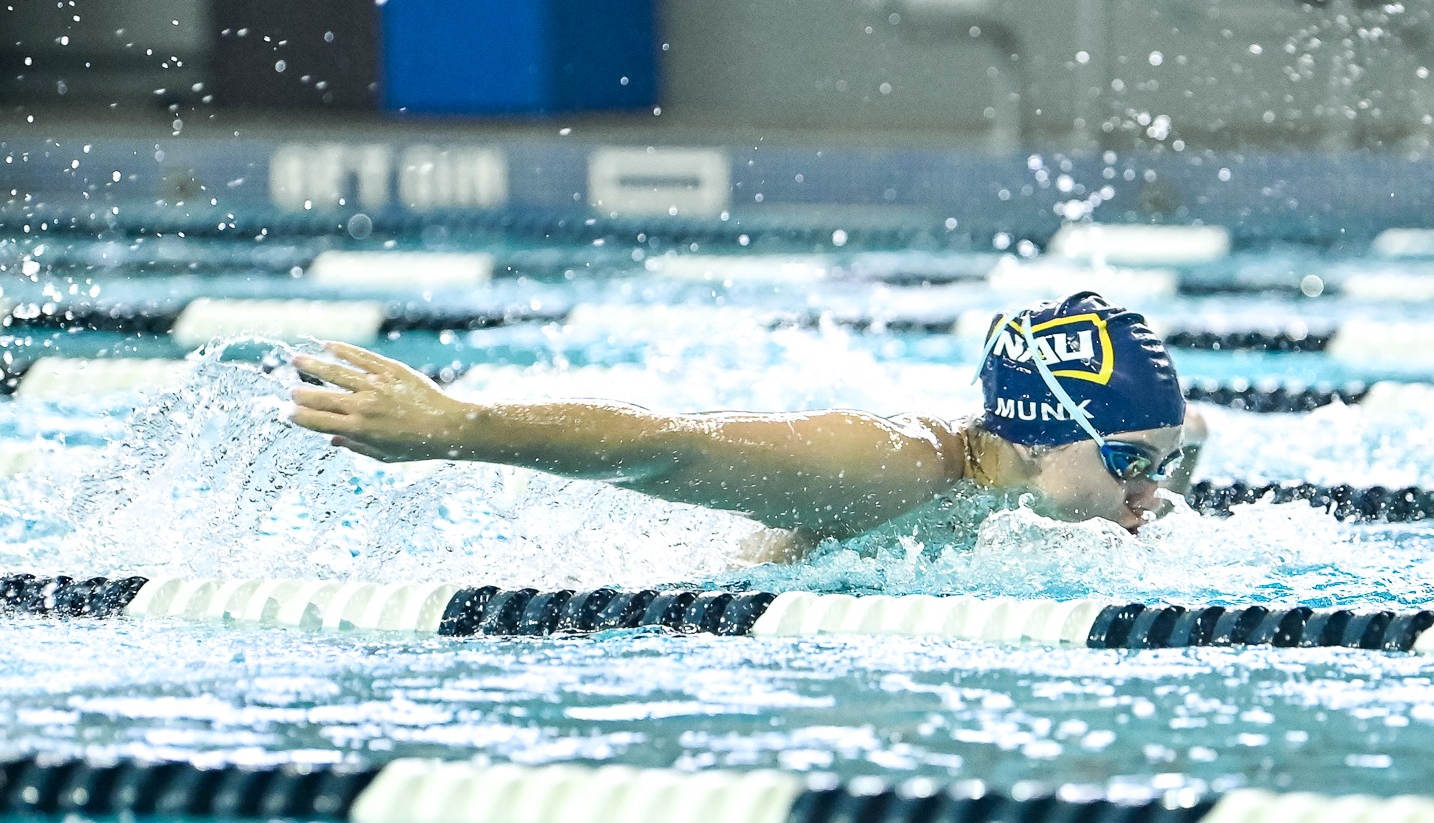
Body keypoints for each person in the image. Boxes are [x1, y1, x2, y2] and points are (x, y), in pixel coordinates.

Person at [283, 291, 1207, 552]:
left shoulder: (1055, 499)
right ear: (1044, 430)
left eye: (1161, 464)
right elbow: (666, 446)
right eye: (1132, 462)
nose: (1150, 493)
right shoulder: (896, 469)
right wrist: (459, 424)